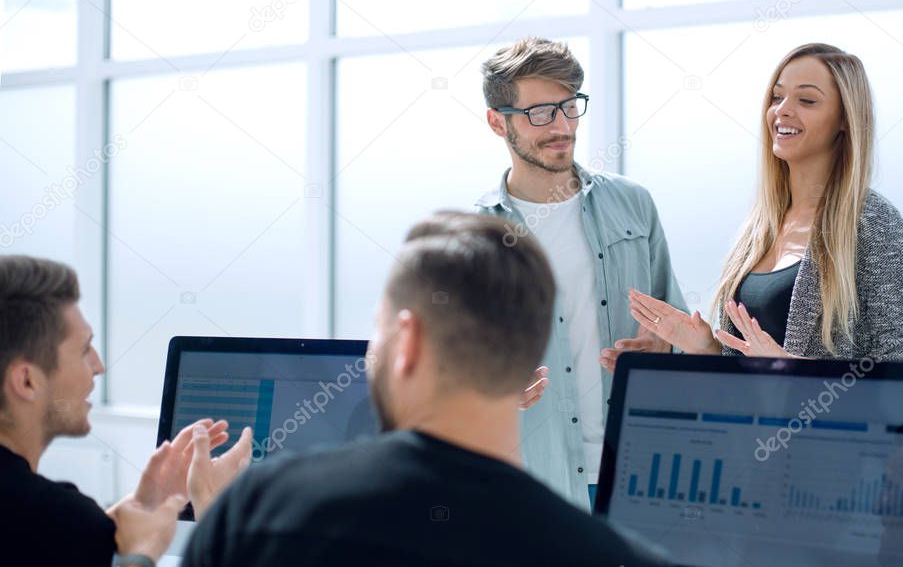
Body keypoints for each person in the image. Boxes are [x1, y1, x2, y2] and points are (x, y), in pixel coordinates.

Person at [183, 212, 669, 566]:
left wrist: (217, 520)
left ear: (408, 341)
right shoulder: (609, 554)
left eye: (379, 330)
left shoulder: (259, 512)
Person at [620, 43, 903, 363]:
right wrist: (706, 348)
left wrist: (789, 369)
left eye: (807, 100)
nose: (782, 110)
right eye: (776, 96)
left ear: (845, 119)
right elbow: (751, 367)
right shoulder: (761, 226)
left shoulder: (872, 222)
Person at [475, 37, 688, 509]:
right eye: (539, 113)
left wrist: (666, 344)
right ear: (497, 121)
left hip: (636, 473)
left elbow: (678, 325)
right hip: (535, 484)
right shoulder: (475, 237)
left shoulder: (634, 204)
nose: (561, 126)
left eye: (570, 107)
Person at [0, 255, 252, 567]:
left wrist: (142, 508)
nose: (98, 366)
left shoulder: (53, 527)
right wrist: (213, 512)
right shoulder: (57, 520)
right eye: (83, 350)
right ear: (27, 381)